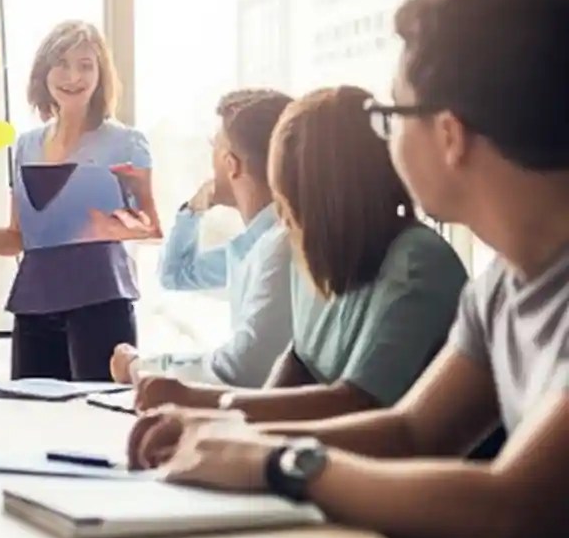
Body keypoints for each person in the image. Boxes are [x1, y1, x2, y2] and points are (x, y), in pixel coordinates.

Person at [125, 0, 569, 538]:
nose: (384, 141)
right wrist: (225, 436)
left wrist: (274, 462)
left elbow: (513, 519)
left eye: (392, 115)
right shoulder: (499, 286)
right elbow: (411, 432)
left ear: (449, 134)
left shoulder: (436, 267)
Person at [124, 85, 467, 423]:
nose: (284, 217)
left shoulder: (417, 264)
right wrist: (205, 414)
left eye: (289, 197)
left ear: (326, 187)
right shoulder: (319, 257)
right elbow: (294, 370)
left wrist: (197, 401)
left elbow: (357, 403)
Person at [0, 20, 162, 381]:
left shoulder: (126, 142)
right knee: (30, 411)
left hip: (100, 304)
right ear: (44, 73)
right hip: (35, 308)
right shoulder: (27, 146)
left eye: (86, 65)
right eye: (62, 64)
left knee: (99, 411)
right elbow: (17, 239)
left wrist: (95, 221)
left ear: (101, 74)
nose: (73, 76)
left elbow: (150, 227)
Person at [111, 89, 294, 388]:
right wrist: (192, 211)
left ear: (231, 164)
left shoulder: (280, 247)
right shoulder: (252, 246)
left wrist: (138, 367)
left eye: (214, 146)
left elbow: (241, 369)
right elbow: (174, 274)